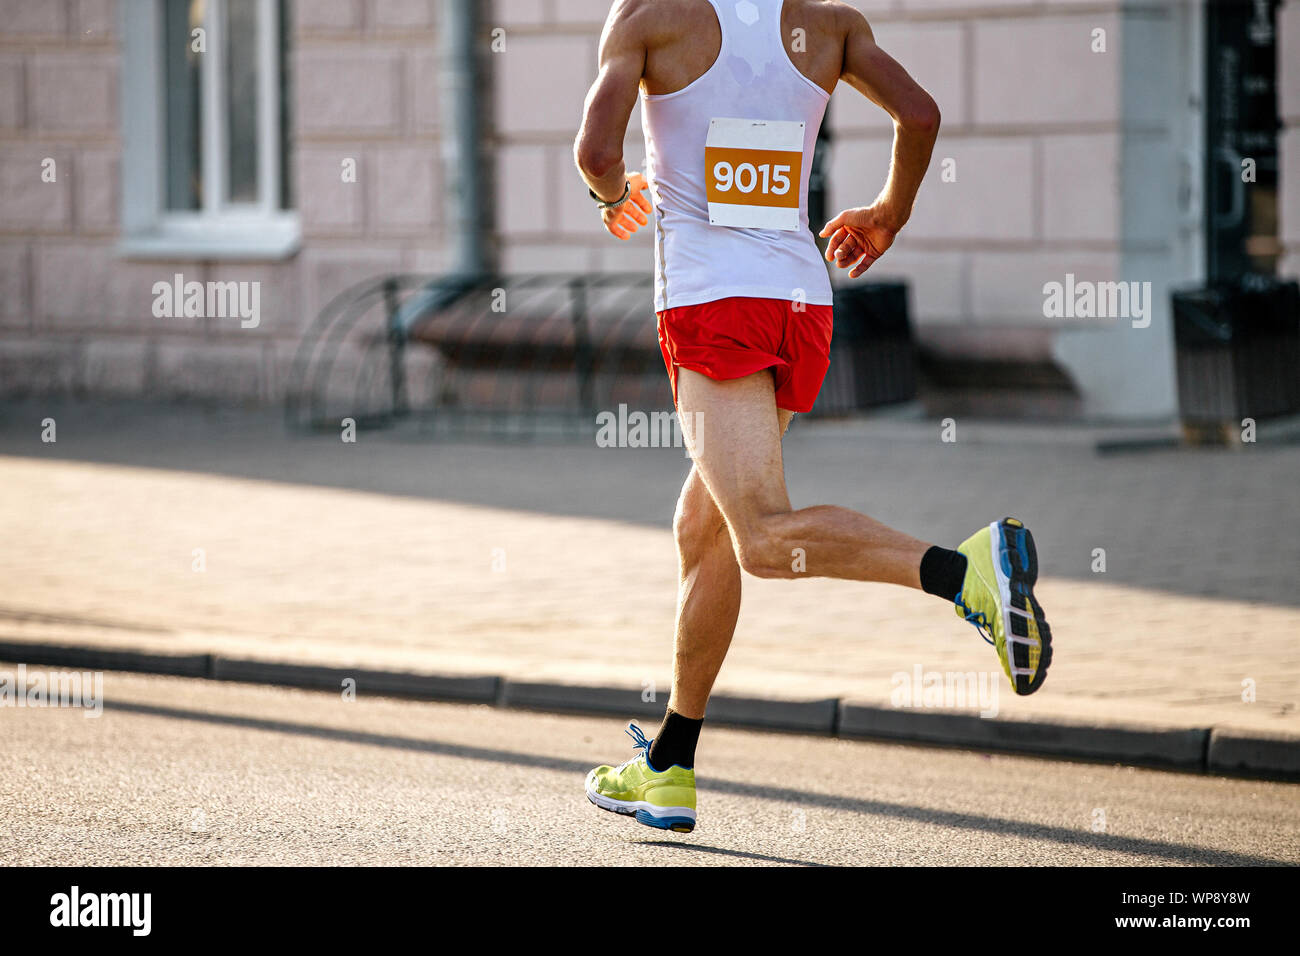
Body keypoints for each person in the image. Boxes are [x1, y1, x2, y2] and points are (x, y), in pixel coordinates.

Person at [573, 0, 1051, 834]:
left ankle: (964, 571)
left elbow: (597, 150)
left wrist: (611, 195)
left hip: (710, 303)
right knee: (705, 525)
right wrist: (888, 213)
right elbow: (921, 114)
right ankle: (670, 765)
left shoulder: (649, 15)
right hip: (799, 302)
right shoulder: (828, 22)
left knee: (758, 533)